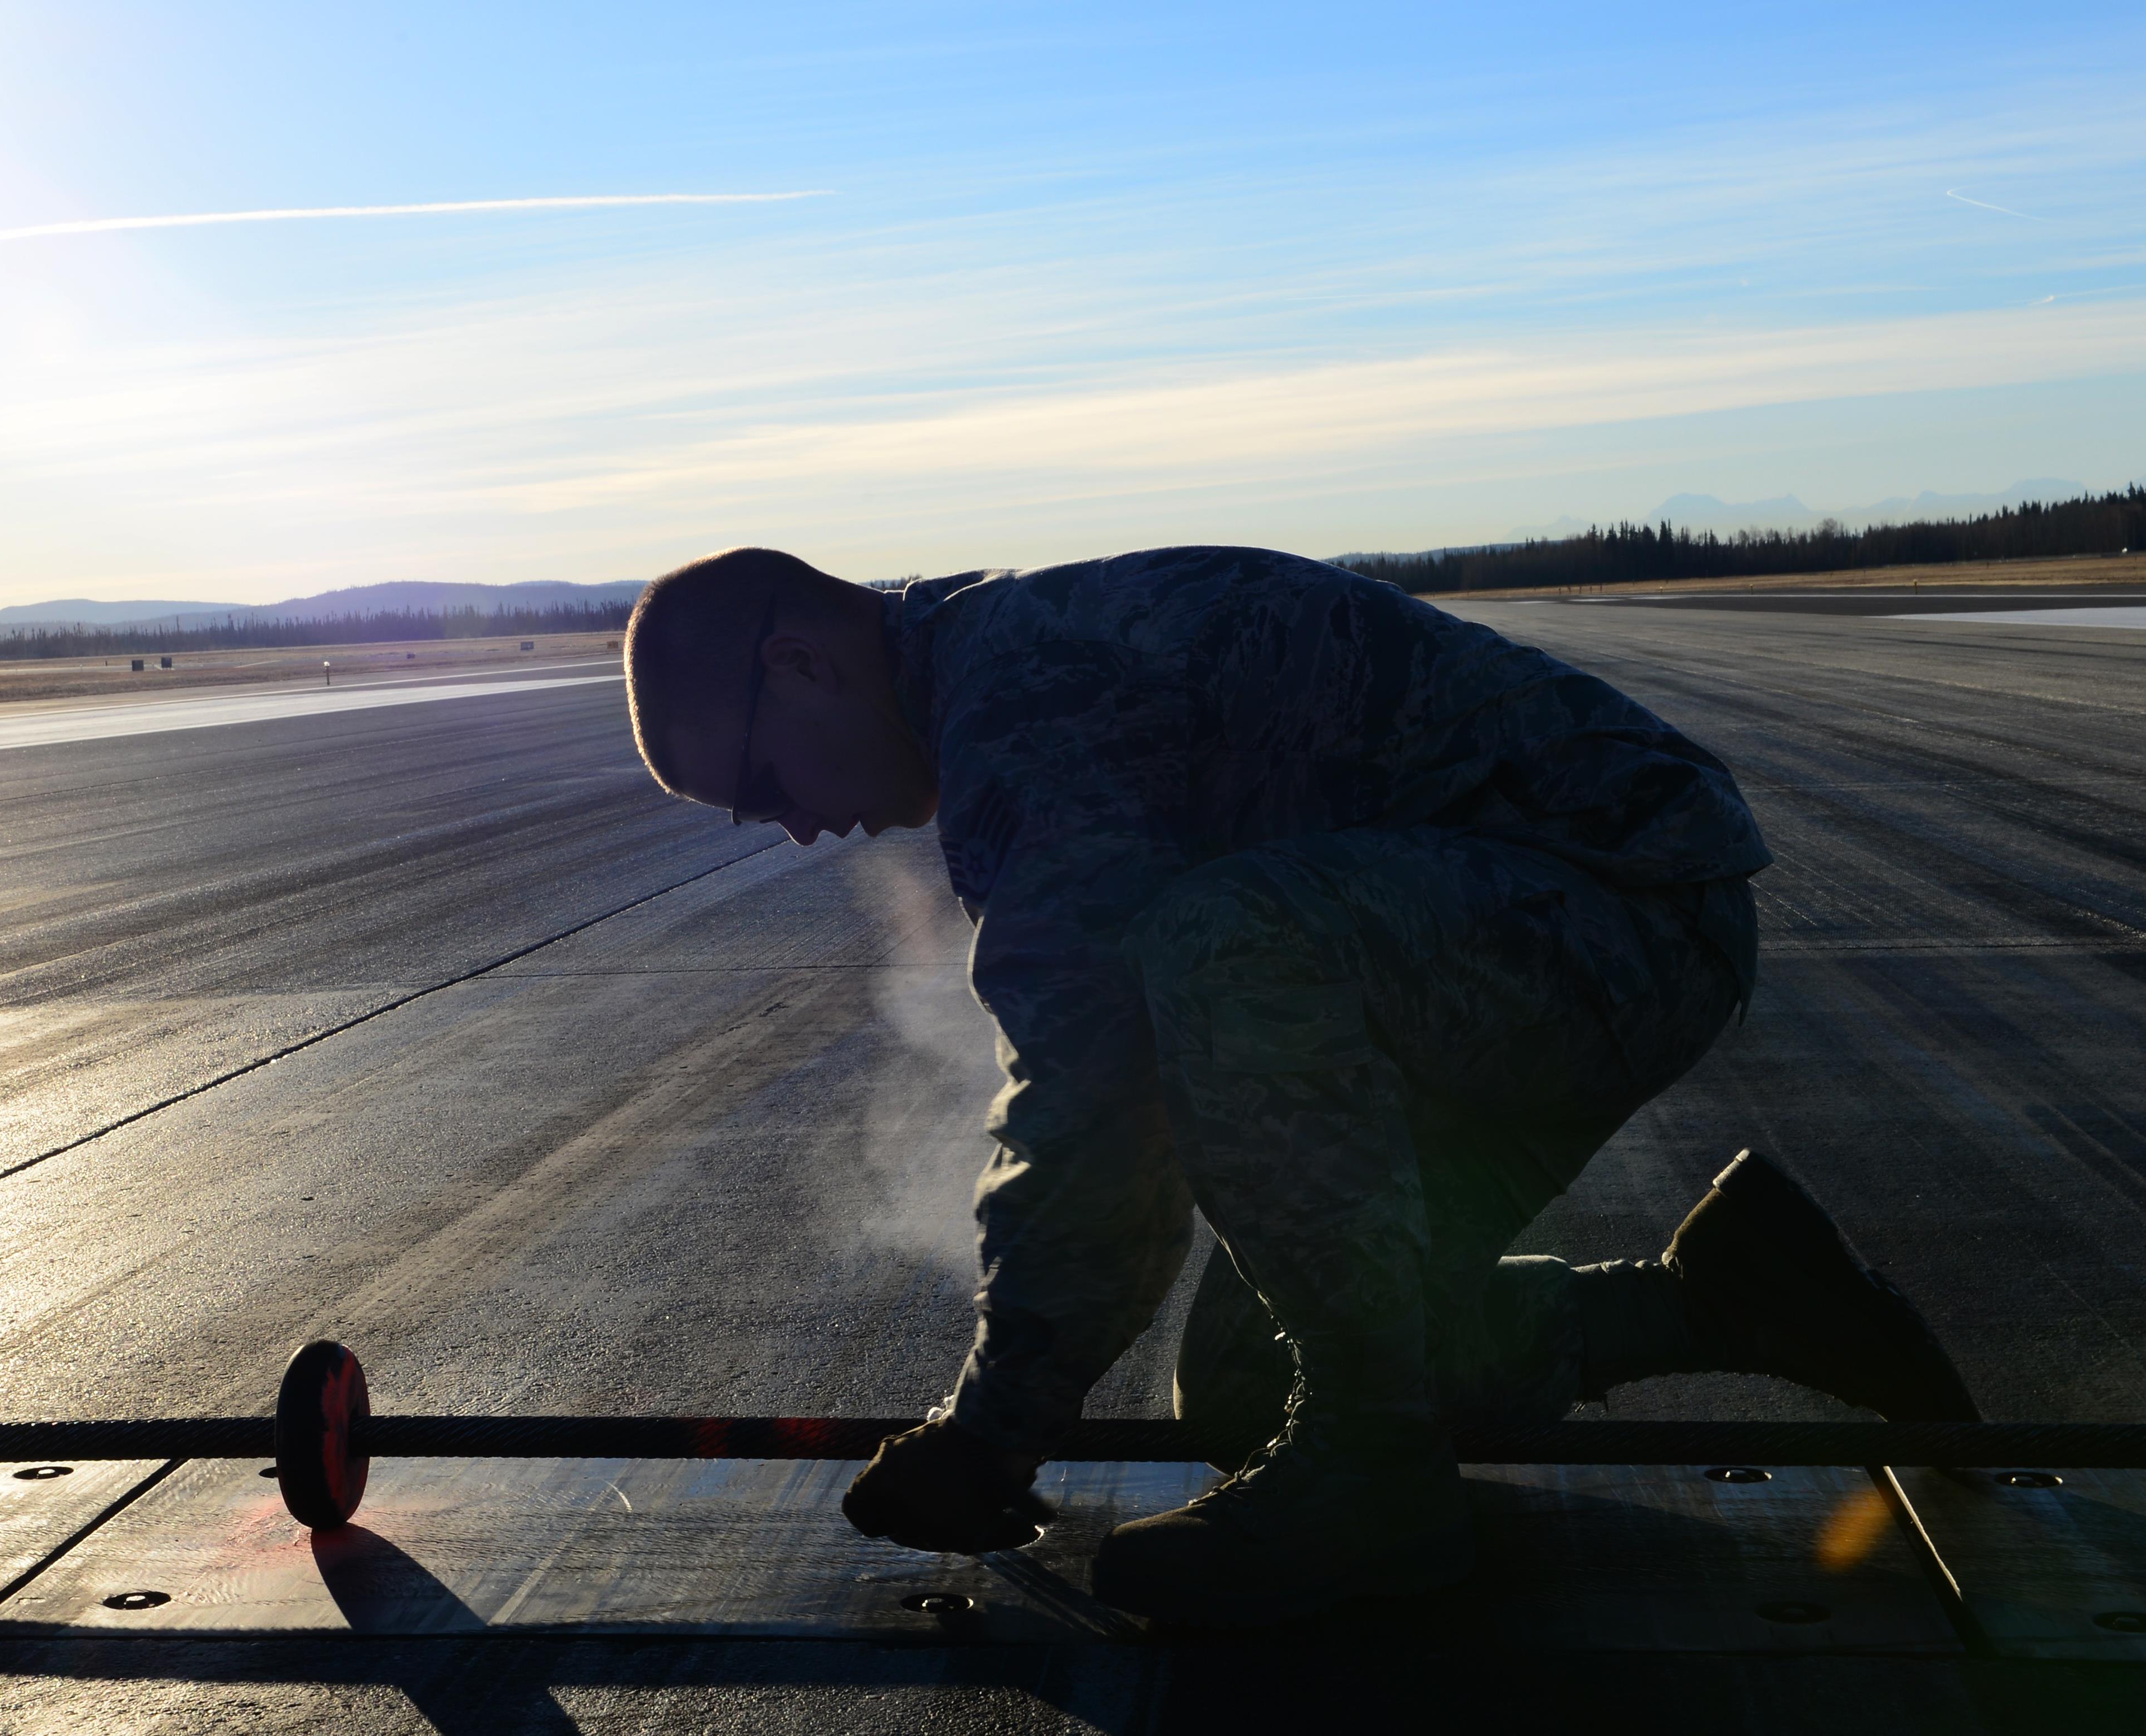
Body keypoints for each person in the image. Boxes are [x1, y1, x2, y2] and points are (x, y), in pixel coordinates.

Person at [622, 544, 1977, 1627]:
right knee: (1240, 1392)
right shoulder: (990, 675)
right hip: (1490, 951)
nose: (795, 828)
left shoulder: (1031, 702)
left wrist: (992, 1433)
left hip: (1613, 917)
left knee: (1222, 946)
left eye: (758, 791)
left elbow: (1095, 1106)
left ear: (800, 664)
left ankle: (1376, 1484)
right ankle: (1721, 1296)